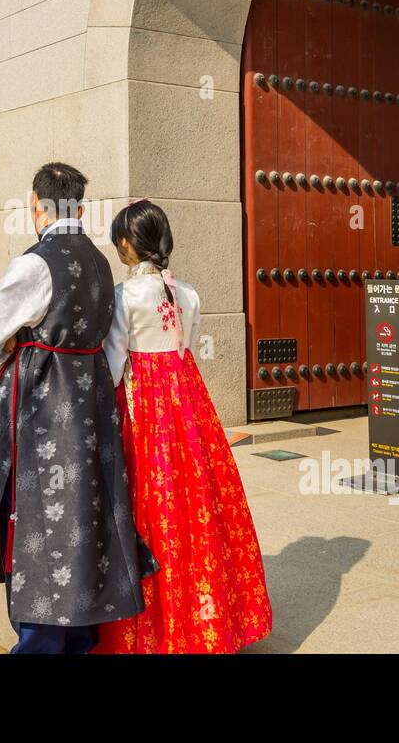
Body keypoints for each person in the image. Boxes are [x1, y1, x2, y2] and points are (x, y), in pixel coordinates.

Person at [0, 162, 155, 654]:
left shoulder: (35, 263)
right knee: (83, 512)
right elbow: (112, 351)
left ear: (37, 204)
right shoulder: (101, 263)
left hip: (41, 406)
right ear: (79, 206)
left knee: (36, 513)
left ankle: (38, 640)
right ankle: (79, 635)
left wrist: (15, 341)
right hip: (91, 405)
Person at [95, 200, 272, 653]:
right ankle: (204, 621)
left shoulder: (125, 296)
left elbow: (114, 363)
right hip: (187, 404)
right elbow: (186, 348)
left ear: (127, 243)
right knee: (195, 504)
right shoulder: (188, 293)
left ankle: (149, 627)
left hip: (144, 407)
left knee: (148, 504)